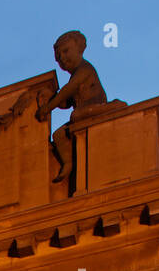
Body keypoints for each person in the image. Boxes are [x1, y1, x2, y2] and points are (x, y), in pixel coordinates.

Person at [35, 30, 108, 183]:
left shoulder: (85, 69)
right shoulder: (75, 75)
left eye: (66, 51)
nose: (62, 58)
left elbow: (68, 90)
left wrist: (48, 107)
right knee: (59, 135)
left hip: (94, 106)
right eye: (58, 57)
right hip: (81, 112)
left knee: (76, 116)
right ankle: (69, 163)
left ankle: (114, 106)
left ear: (80, 48)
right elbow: (66, 102)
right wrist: (52, 97)